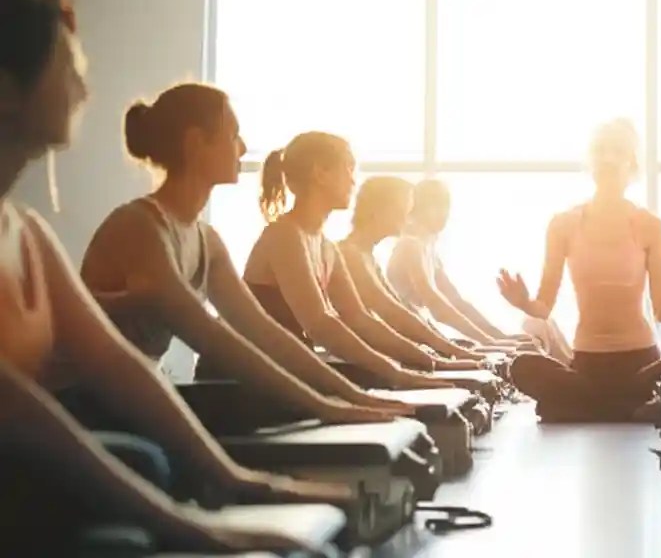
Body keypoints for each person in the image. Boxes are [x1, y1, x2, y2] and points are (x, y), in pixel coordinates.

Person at [0, 0, 337, 553]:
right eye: (66, 62)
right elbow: (21, 402)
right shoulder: (140, 225)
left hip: (65, 422)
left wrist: (244, 476)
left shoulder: (28, 232)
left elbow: (123, 362)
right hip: (63, 415)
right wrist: (191, 521)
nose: (83, 85)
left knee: (155, 465)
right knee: (152, 471)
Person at [81, 83, 410, 424]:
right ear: (196, 145)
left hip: (132, 394)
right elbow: (211, 337)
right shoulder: (141, 227)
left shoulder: (207, 240)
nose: (243, 148)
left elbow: (263, 331)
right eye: (233, 135)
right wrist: (323, 405)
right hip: (88, 401)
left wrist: (350, 395)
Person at [495, 118, 661, 421]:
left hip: (640, 363)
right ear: (590, 160)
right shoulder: (563, 225)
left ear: (631, 162)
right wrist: (523, 303)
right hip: (586, 365)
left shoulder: (649, 226)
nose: (607, 158)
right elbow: (542, 308)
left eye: (617, 151)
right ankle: (626, 409)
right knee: (521, 366)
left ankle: (582, 407)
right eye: (600, 151)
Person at [241, 131, 451, 390]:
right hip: (242, 377)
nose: (354, 180)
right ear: (320, 173)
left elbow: (360, 320)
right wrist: (396, 371)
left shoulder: (327, 247)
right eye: (348, 168)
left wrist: (433, 360)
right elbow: (320, 324)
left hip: (282, 371)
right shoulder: (285, 235)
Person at [337, 176, 492, 369]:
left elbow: (402, 310)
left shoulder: (367, 255)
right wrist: (444, 355)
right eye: (403, 209)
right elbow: (389, 313)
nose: (408, 216)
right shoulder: (351, 254)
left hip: (373, 352)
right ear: (378, 210)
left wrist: (449, 348)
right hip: (353, 359)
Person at [387, 178, 553, 356]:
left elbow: (456, 301)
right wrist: (491, 342)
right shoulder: (410, 246)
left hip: (422, 337)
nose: (444, 213)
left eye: (446, 206)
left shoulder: (427, 248)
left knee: (529, 342)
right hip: (405, 343)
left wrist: (499, 336)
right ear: (416, 209)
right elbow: (437, 308)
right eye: (435, 206)